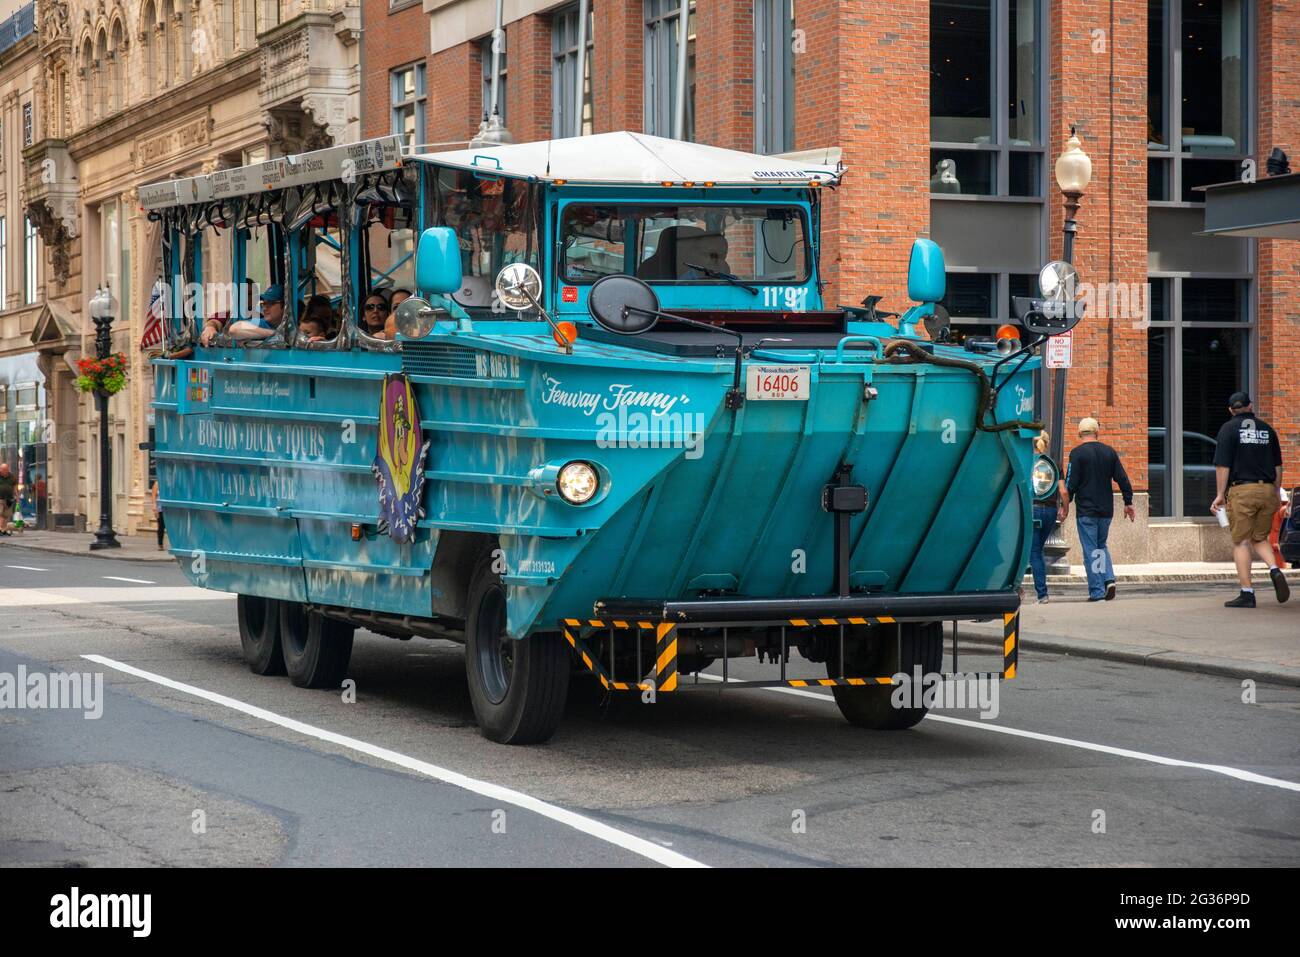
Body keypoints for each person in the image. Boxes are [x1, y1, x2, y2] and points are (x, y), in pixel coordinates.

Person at [1209, 391, 1288, 608]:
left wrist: (1220, 495)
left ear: (1230, 410)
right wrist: (1276, 491)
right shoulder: (1267, 430)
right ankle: (1275, 570)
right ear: (1250, 406)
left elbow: (1222, 465)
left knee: (1241, 542)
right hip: (1267, 490)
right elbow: (1278, 466)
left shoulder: (1228, 429)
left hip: (1242, 490)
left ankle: (1247, 593)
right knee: (1259, 538)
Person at [1060, 417, 1135, 602]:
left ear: (1079, 433)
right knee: (1101, 546)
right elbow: (1122, 478)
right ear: (1097, 432)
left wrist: (1064, 505)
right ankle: (1108, 579)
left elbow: (1070, 483)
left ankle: (1097, 590)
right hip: (1106, 510)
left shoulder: (1077, 454)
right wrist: (1128, 502)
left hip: (1087, 510)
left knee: (1091, 550)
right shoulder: (1109, 452)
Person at [1029, 431, 1065, 603]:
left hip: (1031, 509)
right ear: (1047, 443)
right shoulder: (1054, 464)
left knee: (1034, 552)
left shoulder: (1026, 461)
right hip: (1050, 511)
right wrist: (1065, 508)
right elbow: (1063, 491)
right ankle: (1041, 592)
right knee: (1037, 550)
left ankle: (1042, 593)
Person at [203, 284, 287, 344]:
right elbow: (232, 328)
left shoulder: (261, 315)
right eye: (264, 303)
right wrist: (210, 328)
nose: (265, 308)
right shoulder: (229, 314)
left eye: (250, 294)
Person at [150, 478, 166, 551]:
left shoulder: (170, 482)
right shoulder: (157, 483)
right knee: (161, 526)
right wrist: (154, 507)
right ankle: (160, 544)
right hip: (160, 508)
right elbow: (153, 496)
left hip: (170, 509)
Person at [0, 462, 15, 535]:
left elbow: (15, 487)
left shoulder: (12, 476)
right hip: (0, 498)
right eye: (3, 469)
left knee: (6, 515)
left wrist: (17, 497)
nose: (4, 471)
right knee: (0, 514)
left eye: (6, 469)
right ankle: (0, 529)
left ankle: (4, 530)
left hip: (9, 499)